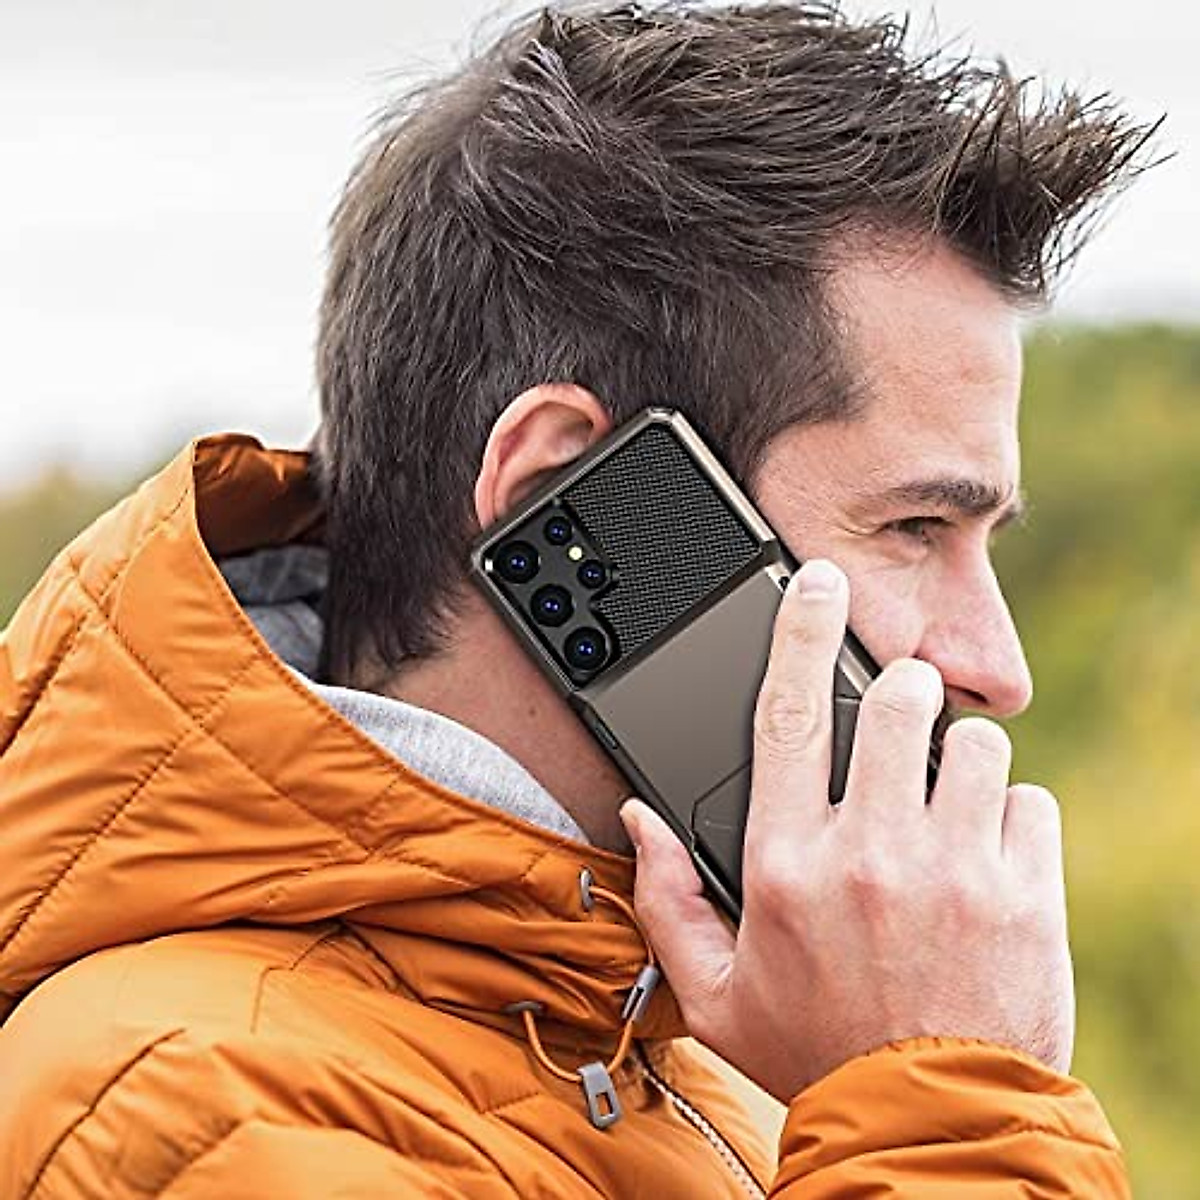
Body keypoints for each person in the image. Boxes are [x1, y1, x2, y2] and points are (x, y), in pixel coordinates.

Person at [0, 3, 1155, 1195]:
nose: (997, 667)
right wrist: (950, 1106)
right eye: (915, 528)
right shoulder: (191, 1111)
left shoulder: (724, 1054)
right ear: (575, 499)